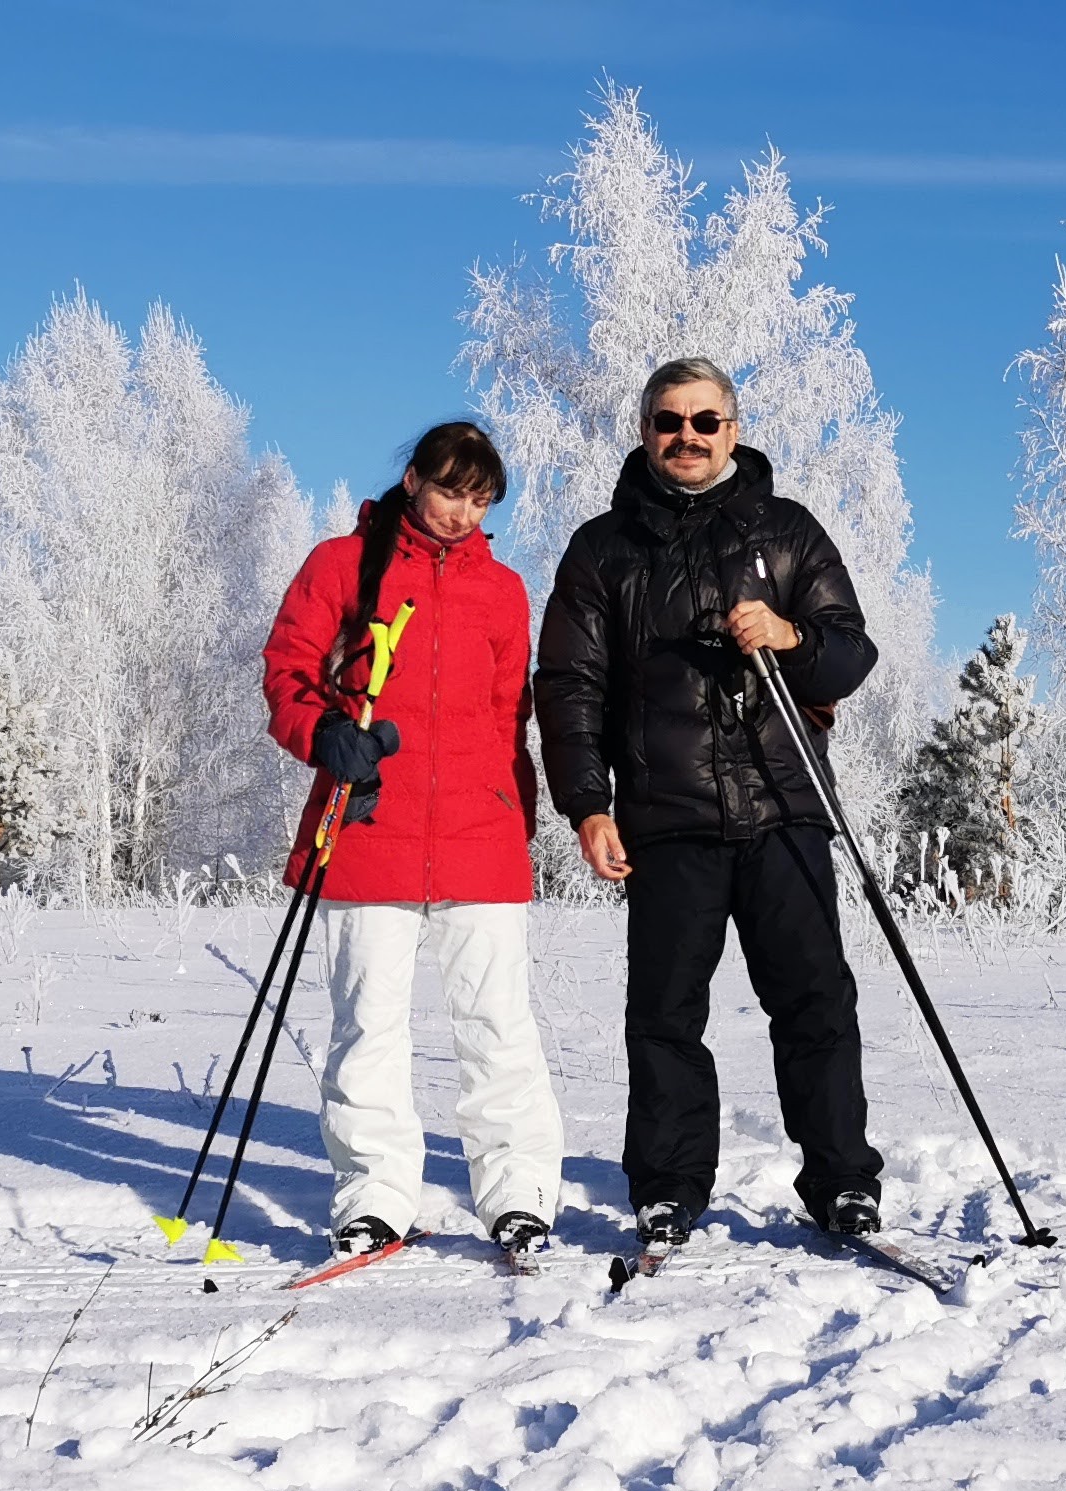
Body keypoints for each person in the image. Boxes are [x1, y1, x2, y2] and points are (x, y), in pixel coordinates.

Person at [533, 357, 885, 1253]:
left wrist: (790, 635)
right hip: (665, 811)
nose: (684, 437)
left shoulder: (788, 531)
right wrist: (587, 804)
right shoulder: (602, 549)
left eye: (703, 421)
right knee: (664, 1016)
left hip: (785, 801)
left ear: (733, 428)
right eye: (667, 422)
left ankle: (843, 1182)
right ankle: (668, 1188)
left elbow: (851, 653)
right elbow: (569, 685)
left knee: (815, 1004)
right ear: (646, 431)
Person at [260, 421, 566, 1264]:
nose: (463, 513)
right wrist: (323, 733)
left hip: (481, 832)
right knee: (368, 1024)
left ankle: (519, 1194)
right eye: (449, 491)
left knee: (498, 1023)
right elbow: (287, 672)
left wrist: (519, 817)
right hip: (366, 826)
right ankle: (375, 1197)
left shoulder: (503, 590)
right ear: (412, 482)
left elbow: (513, 716)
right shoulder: (342, 565)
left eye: (481, 499)